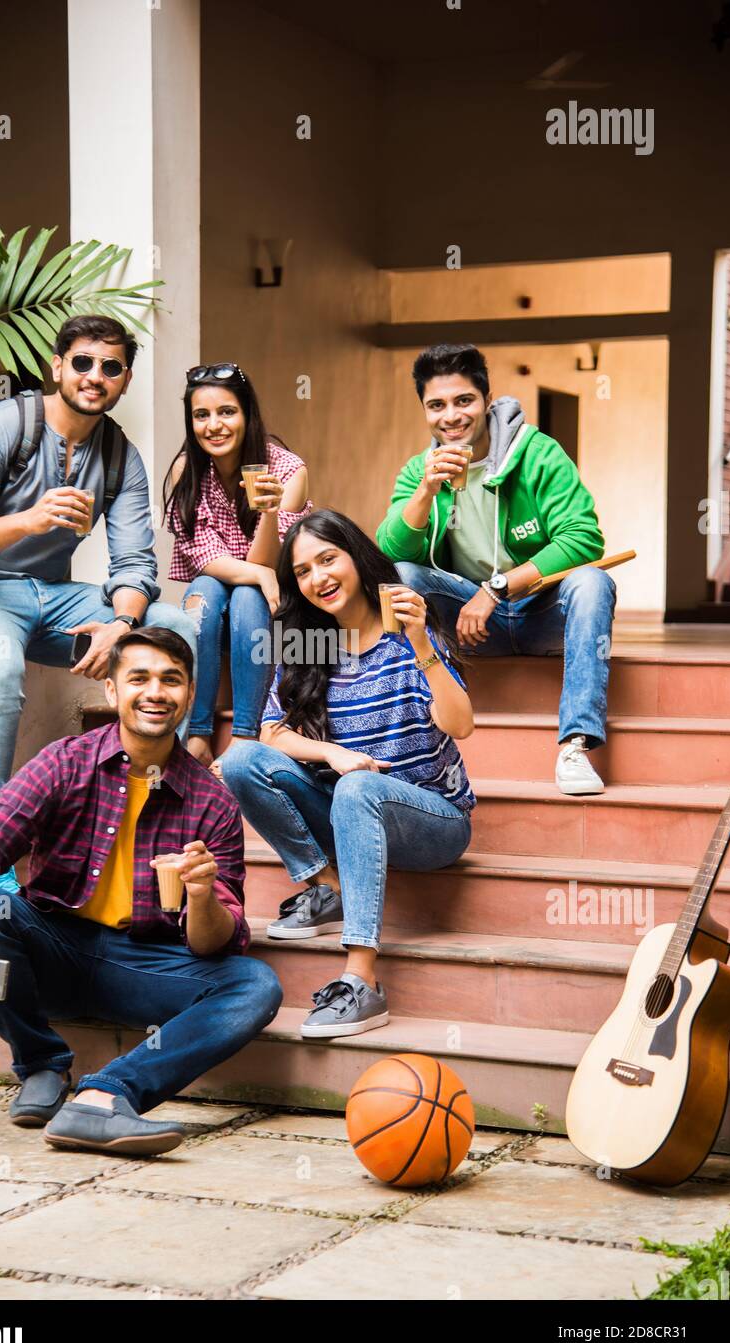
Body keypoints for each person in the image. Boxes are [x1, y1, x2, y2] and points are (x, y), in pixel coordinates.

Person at [0, 626, 282, 1157]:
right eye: (138, 678)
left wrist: (204, 896)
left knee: (255, 985)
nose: (155, 692)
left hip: (146, 965)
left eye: (172, 680)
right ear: (113, 691)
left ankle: (104, 1096)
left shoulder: (212, 801)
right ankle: (41, 1065)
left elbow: (214, 946)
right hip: (56, 949)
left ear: (189, 694)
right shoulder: (64, 762)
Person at [0, 315, 197, 892]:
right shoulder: (6, 424)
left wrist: (121, 624)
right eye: (83, 362)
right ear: (58, 365)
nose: (95, 377)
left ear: (125, 380)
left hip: (47, 599)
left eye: (110, 368)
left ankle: (157, 802)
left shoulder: (120, 457)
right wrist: (31, 519)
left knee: (169, 627)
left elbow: (136, 565)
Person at [222, 510, 475, 1040]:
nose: (319, 578)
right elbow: (271, 733)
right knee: (241, 759)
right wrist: (331, 753)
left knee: (358, 789)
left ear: (356, 558)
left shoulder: (410, 632)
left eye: (328, 559)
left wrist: (422, 642)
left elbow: (461, 724)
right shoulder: (309, 645)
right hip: (347, 807)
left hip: (432, 819)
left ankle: (361, 980)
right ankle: (325, 886)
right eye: (304, 571)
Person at [376, 343, 616, 795]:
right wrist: (425, 492)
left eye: (464, 400)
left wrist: (495, 589)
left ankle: (576, 746)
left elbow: (584, 539)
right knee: (403, 579)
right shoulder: (418, 471)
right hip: (468, 627)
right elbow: (390, 550)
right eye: (437, 405)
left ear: (486, 399)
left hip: (538, 612)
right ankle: (409, 732)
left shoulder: (538, 454)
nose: (452, 416)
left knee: (593, 581)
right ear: (425, 411)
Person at [163, 363, 311, 777]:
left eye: (226, 412)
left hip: (273, 613)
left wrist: (267, 512)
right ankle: (198, 735)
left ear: (248, 414)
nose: (214, 425)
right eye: (201, 415)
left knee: (245, 592)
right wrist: (257, 574)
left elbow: (271, 566)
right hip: (216, 608)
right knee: (207, 587)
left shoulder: (288, 471)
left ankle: (245, 735)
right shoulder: (185, 471)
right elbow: (204, 557)